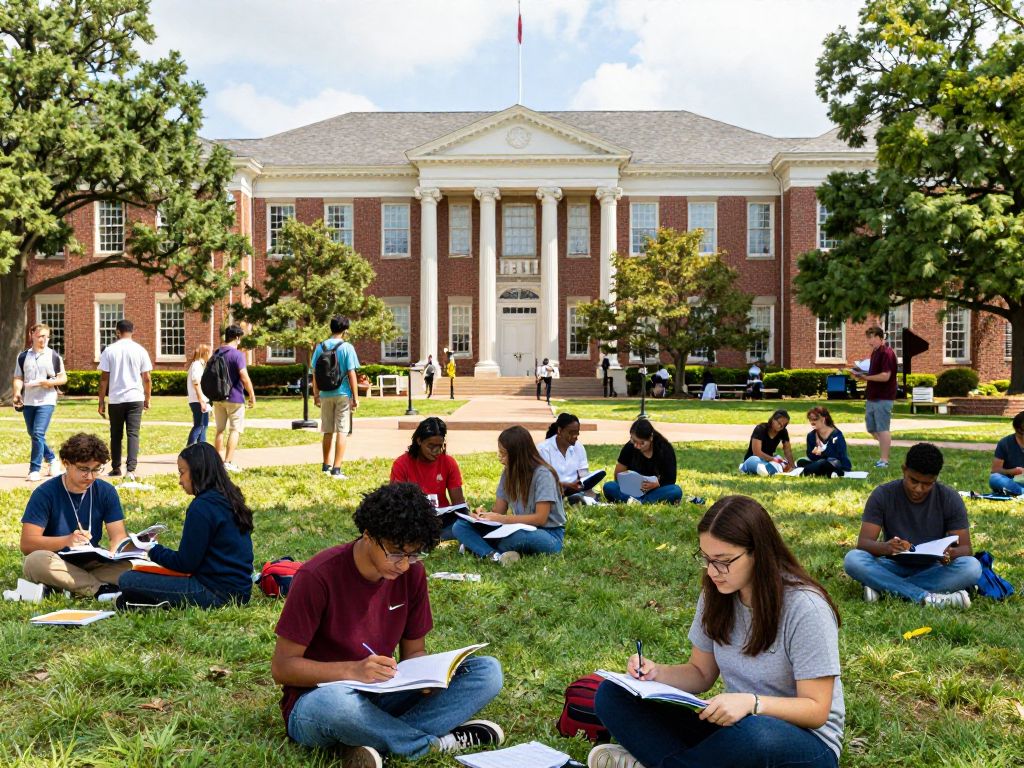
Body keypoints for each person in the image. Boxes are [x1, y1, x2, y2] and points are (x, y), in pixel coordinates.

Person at [589, 495, 844, 768]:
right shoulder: (717, 593)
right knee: (612, 695)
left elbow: (816, 709)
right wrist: (655, 674)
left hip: (803, 743)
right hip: (734, 726)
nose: (712, 571)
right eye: (706, 559)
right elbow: (701, 673)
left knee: (754, 735)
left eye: (723, 561)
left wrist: (752, 703)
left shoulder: (806, 607)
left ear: (758, 553)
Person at [271, 482, 504, 766]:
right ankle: (431, 745)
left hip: (383, 691)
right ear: (369, 535)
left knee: (487, 672)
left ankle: (372, 741)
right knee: (337, 705)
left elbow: (414, 653)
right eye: (396, 552)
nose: (404, 564)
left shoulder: (412, 574)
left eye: (414, 554)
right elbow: (282, 668)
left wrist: (428, 679)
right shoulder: (317, 577)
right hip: (319, 700)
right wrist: (353, 671)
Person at [843, 443, 983, 608]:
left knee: (972, 567)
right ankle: (925, 597)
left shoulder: (949, 498)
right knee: (853, 559)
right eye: (913, 480)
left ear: (936, 478)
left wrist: (950, 553)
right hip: (892, 566)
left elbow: (966, 549)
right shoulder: (883, 494)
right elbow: (864, 544)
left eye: (927, 484)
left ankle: (884, 589)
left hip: (933, 569)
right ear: (904, 470)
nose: (918, 489)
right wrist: (887, 548)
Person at [117, 442, 254, 609]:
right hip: (241, 591)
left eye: (182, 472)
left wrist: (152, 549)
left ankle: (139, 601)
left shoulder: (202, 507)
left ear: (197, 471)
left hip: (214, 591)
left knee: (128, 579)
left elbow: (185, 563)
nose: (180, 481)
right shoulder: (230, 498)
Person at [19, 433, 128, 599]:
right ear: (66, 463)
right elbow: (27, 544)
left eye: (96, 469)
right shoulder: (45, 493)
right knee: (34, 562)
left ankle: (71, 586)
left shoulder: (106, 491)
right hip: (57, 561)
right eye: (83, 469)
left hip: (93, 563)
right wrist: (67, 541)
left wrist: (119, 552)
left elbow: (118, 537)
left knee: (135, 567)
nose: (90, 476)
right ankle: (100, 590)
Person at [452, 425, 566, 565]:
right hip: (516, 528)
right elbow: (498, 511)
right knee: (460, 526)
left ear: (518, 455)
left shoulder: (543, 475)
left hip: (548, 534)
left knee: (517, 537)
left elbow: (540, 519)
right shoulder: (508, 473)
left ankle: (475, 547)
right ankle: (493, 555)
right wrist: (482, 516)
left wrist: (503, 519)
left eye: (504, 454)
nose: (501, 459)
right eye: (500, 453)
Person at [390, 417, 466, 540]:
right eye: (431, 446)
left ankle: (431, 537)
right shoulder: (401, 464)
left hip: (442, 520)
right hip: (412, 520)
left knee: (463, 525)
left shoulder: (448, 462)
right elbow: (396, 503)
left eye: (439, 446)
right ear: (419, 441)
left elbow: (459, 504)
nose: (436, 451)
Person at [98, 319, 152, 481]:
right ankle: (131, 470)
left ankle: (116, 468)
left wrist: (101, 401)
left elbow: (104, 379)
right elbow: (147, 378)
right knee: (133, 433)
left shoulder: (109, 350)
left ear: (117, 332)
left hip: (116, 399)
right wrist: (147, 398)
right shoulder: (140, 350)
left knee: (116, 434)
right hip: (135, 397)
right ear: (133, 331)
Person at [12, 323, 67, 482]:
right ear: (32, 336)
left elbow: (63, 378)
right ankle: (52, 459)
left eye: (46, 337)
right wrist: (17, 393)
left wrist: (49, 383)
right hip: (29, 401)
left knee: (38, 433)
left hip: (47, 400)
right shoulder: (23, 356)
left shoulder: (54, 356)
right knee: (33, 434)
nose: (44, 340)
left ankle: (34, 470)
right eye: (40, 336)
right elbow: (18, 377)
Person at [311, 315, 360, 480]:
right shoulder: (347, 347)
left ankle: (326, 466)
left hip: (325, 393)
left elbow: (314, 373)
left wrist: (316, 394)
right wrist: (356, 397)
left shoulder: (320, 347)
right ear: (345, 330)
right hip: (342, 393)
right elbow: (352, 373)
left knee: (327, 430)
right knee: (342, 431)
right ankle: (336, 469)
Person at [603, 419, 684, 505]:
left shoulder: (664, 448)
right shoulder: (629, 447)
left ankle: (636, 501)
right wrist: (627, 479)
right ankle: (641, 501)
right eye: (634, 441)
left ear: (651, 437)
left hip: (655, 491)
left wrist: (657, 484)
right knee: (609, 486)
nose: (637, 446)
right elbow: (618, 476)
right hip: (631, 492)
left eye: (642, 443)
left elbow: (671, 479)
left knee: (676, 490)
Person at [849, 326, 897, 468]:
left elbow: (885, 376)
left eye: (871, 338)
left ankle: (884, 460)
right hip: (872, 396)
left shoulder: (887, 353)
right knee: (871, 428)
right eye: (868, 338)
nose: (869, 341)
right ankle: (885, 445)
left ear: (880, 338)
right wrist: (859, 373)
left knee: (882, 428)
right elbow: (873, 372)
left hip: (884, 397)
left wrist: (866, 377)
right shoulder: (875, 352)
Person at [212, 324, 256, 473]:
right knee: (235, 430)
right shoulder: (237, 355)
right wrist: (252, 395)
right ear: (237, 337)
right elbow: (244, 376)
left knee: (219, 430)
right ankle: (228, 462)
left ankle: (217, 463)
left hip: (218, 397)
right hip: (235, 398)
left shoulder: (217, 352)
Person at [538, 413, 600, 504]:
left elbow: (583, 474)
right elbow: (543, 481)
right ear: (560, 430)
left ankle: (581, 498)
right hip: (553, 490)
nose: (575, 436)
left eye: (577, 433)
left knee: (589, 495)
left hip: (576, 489)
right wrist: (567, 485)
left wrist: (585, 482)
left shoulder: (579, 447)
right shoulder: (543, 449)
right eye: (571, 432)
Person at [797, 406, 851, 478]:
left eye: (815, 419)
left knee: (822, 463)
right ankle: (824, 471)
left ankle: (811, 470)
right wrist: (815, 453)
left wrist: (822, 453)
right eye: (810, 419)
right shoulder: (811, 436)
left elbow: (840, 456)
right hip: (817, 462)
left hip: (834, 463)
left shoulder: (836, 435)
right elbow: (810, 455)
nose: (812, 422)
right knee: (801, 461)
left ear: (823, 419)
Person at [739, 410, 794, 476]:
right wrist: (774, 459)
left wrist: (792, 466)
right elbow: (757, 453)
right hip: (754, 459)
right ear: (773, 419)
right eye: (779, 423)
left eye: (783, 425)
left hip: (768, 461)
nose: (780, 426)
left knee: (780, 460)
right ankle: (746, 467)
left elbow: (788, 451)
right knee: (761, 466)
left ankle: (771, 469)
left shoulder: (783, 432)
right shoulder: (760, 429)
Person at [988, 410, 1024, 497]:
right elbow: (995, 470)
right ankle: (1020, 491)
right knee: (994, 478)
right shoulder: (1005, 443)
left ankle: (1018, 492)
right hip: (1012, 481)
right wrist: (1012, 471)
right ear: (1018, 430)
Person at [185, 343, 212, 446]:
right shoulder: (197, 365)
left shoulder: (199, 365)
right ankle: (189, 449)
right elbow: (196, 383)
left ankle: (202, 449)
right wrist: (201, 401)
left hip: (201, 400)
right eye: (210, 353)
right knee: (199, 425)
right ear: (205, 353)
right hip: (198, 401)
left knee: (204, 426)